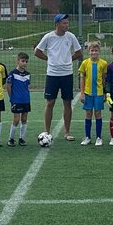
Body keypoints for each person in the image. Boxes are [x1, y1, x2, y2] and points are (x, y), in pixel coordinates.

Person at [35, 14, 83, 142]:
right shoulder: (48, 37)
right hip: (52, 74)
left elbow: (79, 53)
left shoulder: (71, 36)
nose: (66, 25)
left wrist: (68, 60)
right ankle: (47, 131)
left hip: (67, 74)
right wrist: (49, 59)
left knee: (67, 103)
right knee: (50, 102)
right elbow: (37, 51)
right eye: (64, 23)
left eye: (67, 23)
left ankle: (67, 132)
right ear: (57, 24)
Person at [78, 40, 107, 146]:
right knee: (88, 114)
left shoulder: (103, 63)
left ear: (99, 51)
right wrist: (82, 93)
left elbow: (104, 79)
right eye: (92, 50)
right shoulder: (85, 63)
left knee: (98, 114)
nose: (94, 52)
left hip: (99, 93)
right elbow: (82, 78)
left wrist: (104, 92)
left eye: (96, 50)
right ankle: (88, 137)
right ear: (88, 51)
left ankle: (99, 137)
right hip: (87, 93)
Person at [6, 52, 32, 146]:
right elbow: (9, 86)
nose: (24, 63)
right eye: (23, 61)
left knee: (24, 119)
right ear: (18, 61)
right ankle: (11, 139)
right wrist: (11, 98)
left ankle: (22, 138)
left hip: (26, 99)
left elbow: (27, 86)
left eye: (26, 61)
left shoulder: (28, 74)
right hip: (16, 100)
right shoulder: (12, 73)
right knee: (16, 119)